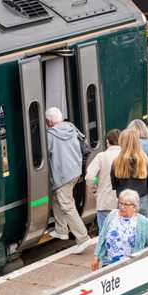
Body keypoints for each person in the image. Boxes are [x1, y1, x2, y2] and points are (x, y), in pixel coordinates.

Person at [45, 107, 93, 254]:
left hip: (62, 176)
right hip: (75, 171)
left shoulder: (49, 135)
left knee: (67, 205)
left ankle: (83, 238)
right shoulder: (71, 127)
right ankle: (61, 230)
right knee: (55, 197)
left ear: (49, 121)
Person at [91, 190, 148, 270]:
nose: (122, 207)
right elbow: (102, 236)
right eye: (121, 203)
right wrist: (96, 256)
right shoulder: (112, 215)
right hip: (110, 264)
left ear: (135, 206)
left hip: (132, 267)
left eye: (126, 205)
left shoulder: (143, 222)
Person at [85, 128, 121, 231]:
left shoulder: (101, 156)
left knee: (105, 235)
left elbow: (89, 177)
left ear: (107, 142)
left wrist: (94, 190)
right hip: (124, 202)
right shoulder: (126, 155)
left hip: (105, 202)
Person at [110, 128, 148, 217]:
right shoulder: (145, 158)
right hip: (142, 199)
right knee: (142, 229)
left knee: (125, 228)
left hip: (124, 202)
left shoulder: (117, 161)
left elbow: (114, 184)